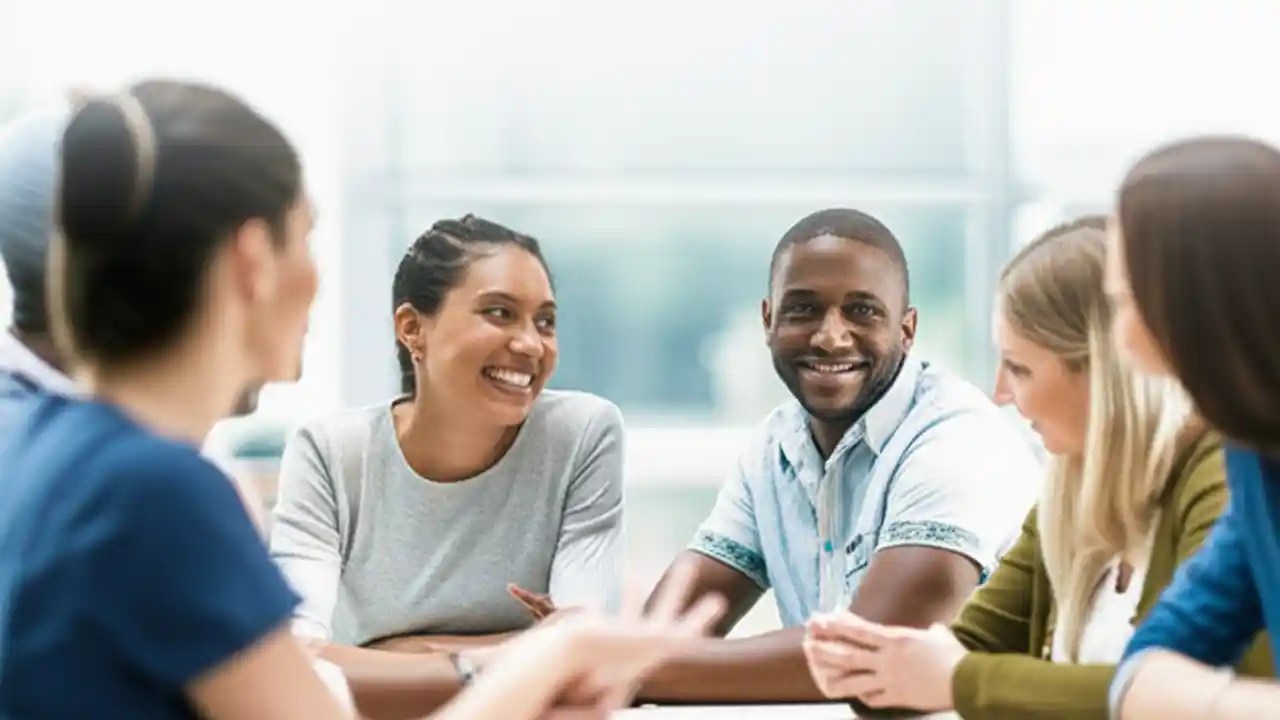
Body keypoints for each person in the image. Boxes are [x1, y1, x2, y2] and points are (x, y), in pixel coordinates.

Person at [0, 79, 717, 720]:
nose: (318, 278)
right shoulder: (160, 492)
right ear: (252, 261)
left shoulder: (43, 449)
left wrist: (547, 662)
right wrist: (551, 658)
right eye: (306, 236)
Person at [524, 207, 1039, 703]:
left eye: (862, 310)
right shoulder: (775, 447)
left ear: (907, 329)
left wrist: (602, 660)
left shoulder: (957, 437)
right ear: (768, 320)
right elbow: (677, 618)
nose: (830, 336)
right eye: (803, 309)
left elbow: (868, 653)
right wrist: (609, 651)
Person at [799, 216, 1271, 718]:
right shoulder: (1072, 496)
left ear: (1104, 375)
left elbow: (1209, 699)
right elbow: (958, 658)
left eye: (1019, 367)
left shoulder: (1225, 477)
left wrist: (956, 680)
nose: (1000, 392)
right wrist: (872, 667)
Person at [1105, 137, 1280, 719]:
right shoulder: (1254, 453)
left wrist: (1202, 703)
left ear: (1198, 306)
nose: (1119, 337)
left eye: (1124, 302)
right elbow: (1145, 664)